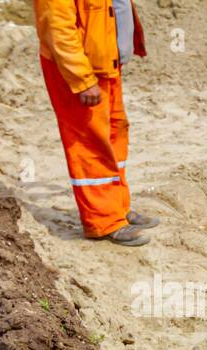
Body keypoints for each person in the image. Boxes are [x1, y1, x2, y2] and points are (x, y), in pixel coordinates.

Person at [34, 0, 158, 246]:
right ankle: (103, 221)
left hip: (107, 64)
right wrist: (82, 80)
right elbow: (58, 28)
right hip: (82, 71)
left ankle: (118, 208)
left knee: (115, 134)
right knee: (91, 143)